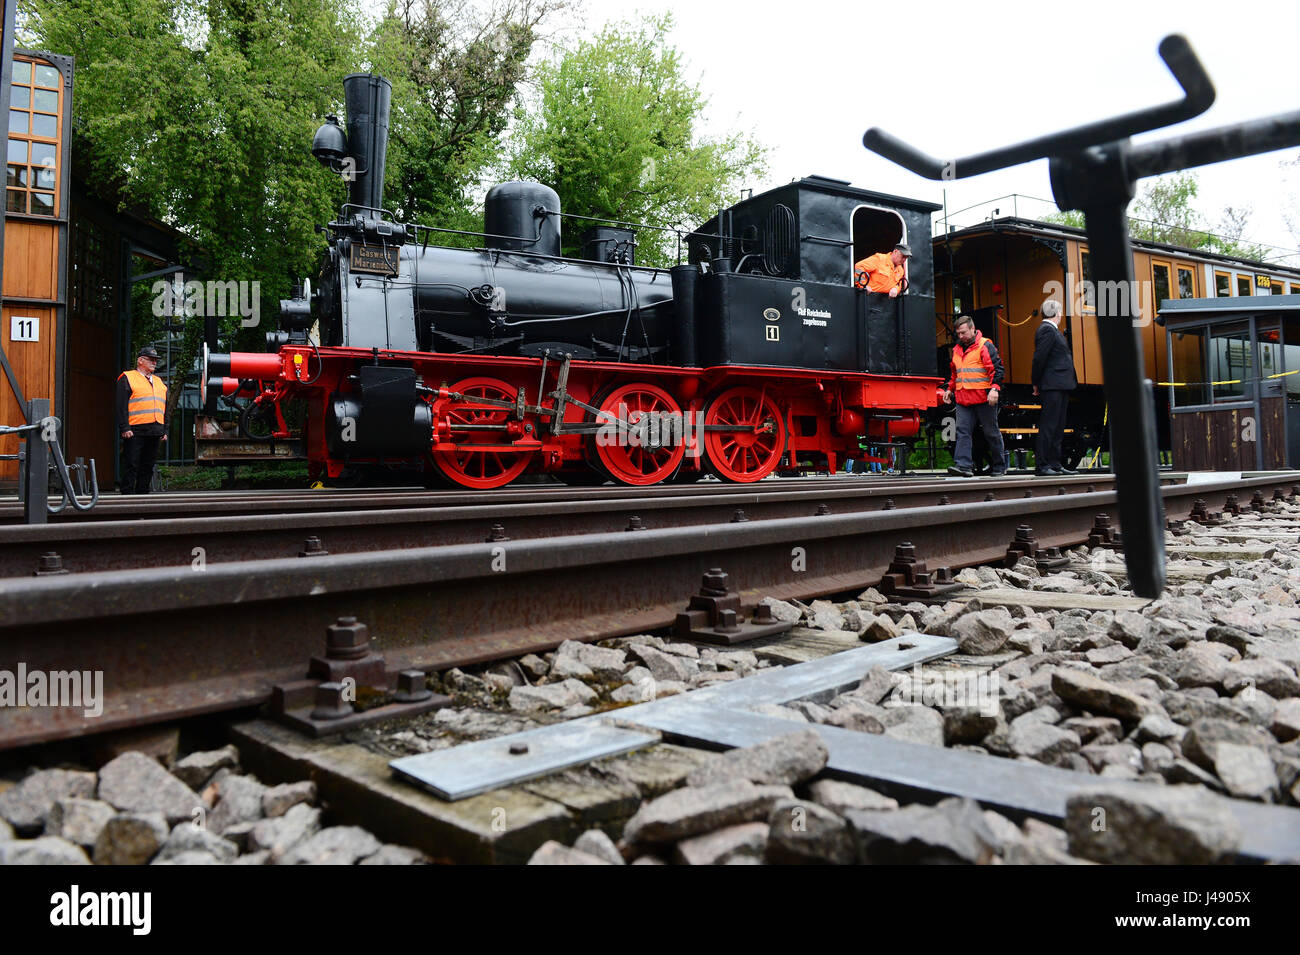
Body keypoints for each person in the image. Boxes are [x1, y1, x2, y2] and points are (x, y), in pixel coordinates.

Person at [942, 315, 1005, 477]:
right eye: (958, 334)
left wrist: (994, 389)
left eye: (963, 332)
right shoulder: (956, 349)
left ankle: (999, 466)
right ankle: (963, 466)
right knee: (963, 431)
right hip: (963, 398)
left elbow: (997, 370)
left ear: (972, 329)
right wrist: (949, 389)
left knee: (991, 432)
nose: (960, 336)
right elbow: (955, 373)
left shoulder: (985, 346)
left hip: (984, 398)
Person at [1031, 299, 1078, 476]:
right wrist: (1036, 382)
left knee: (1058, 425)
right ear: (1057, 313)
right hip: (1052, 384)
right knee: (1050, 425)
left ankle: (1055, 463)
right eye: (1060, 312)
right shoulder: (1047, 330)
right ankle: (1043, 465)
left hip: (1059, 383)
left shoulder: (1051, 330)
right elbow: (1039, 358)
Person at [116, 346, 169, 494]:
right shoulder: (127, 377)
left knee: (148, 465)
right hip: (135, 429)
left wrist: (165, 429)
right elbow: (121, 406)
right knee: (132, 463)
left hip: (155, 429)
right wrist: (125, 428)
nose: (154, 362)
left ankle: (142, 495)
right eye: (150, 359)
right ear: (140, 360)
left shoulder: (159, 382)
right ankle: (126, 495)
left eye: (155, 360)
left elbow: (165, 407)